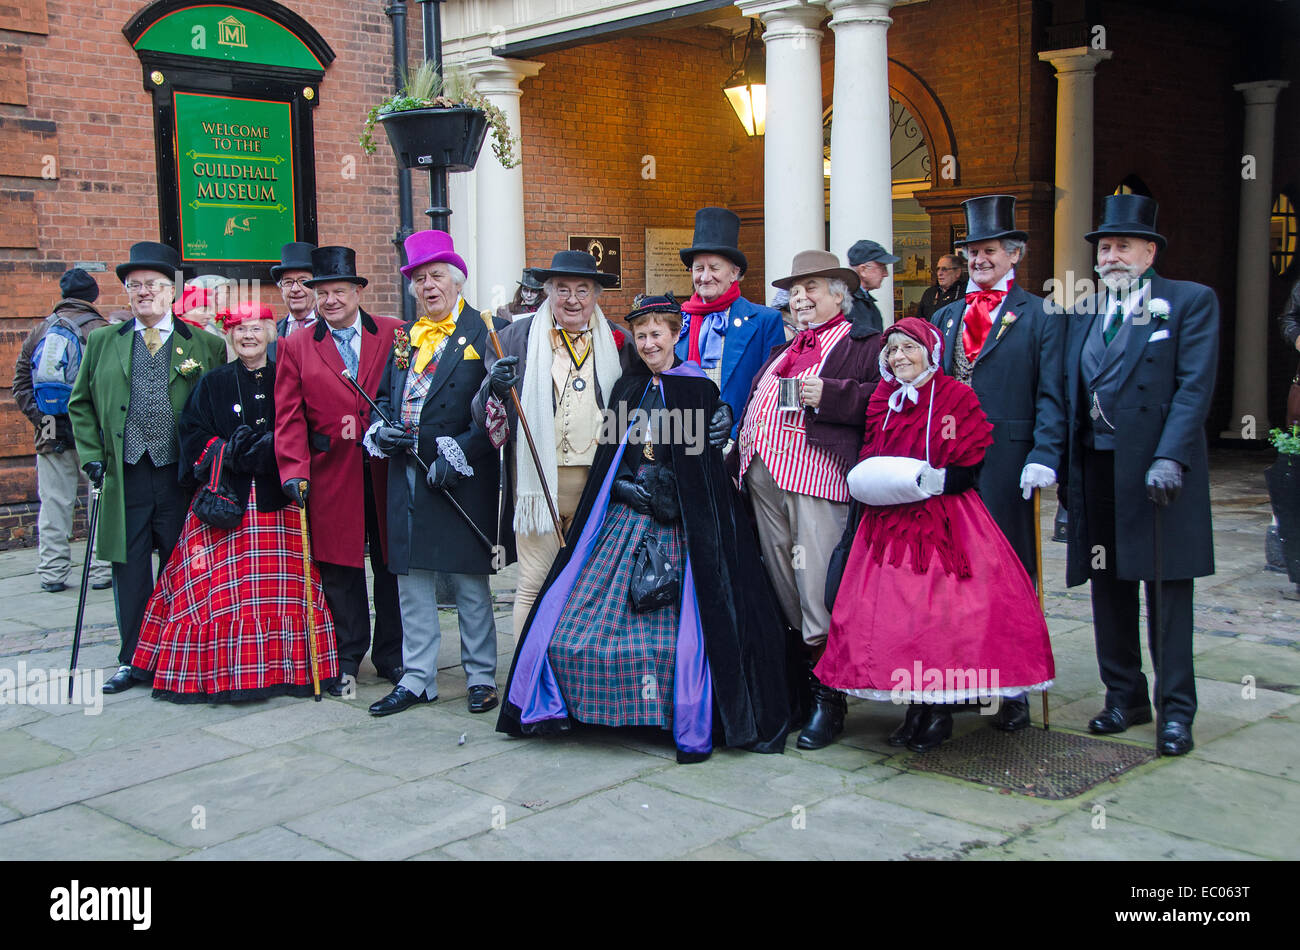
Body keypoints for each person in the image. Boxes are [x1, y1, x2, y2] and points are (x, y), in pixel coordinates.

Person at [498, 296, 790, 761]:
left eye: (658, 334)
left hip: (679, 528)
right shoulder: (627, 390)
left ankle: (674, 714)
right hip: (623, 520)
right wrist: (625, 489)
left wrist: (675, 496)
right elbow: (608, 460)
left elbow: (704, 476)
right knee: (571, 632)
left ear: (677, 336)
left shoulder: (697, 390)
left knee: (682, 635)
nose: (650, 343)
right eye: (642, 336)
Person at [816, 318, 1055, 752]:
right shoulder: (884, 400)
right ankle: (915, 708)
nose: (898, 357)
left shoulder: (955, 396)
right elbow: (873, 452)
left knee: (943, 619)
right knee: (899, 619)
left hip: (946, 520)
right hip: (889, 522)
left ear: (930, 352)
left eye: (908, 348)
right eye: (892, 350)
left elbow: (969, 463)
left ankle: (939, 711)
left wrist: (933, 482)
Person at [1062, 194, 1218, 756]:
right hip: (1097, 469)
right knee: (1108, 584)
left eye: (1123, 245)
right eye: (1104, 246)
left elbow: (1194, 387)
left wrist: (1169, 456)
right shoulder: (1081, 311)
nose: (1111, 256)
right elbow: (1070, 393)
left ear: (1149, 252)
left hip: (1158, 473)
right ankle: (1124, 696)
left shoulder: (1190, 302)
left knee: (1167, 590)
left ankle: (1177, 712)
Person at [130, 302, 339, 701]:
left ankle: (286, 671)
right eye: (240, 329)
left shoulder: (288, 377)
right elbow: (192, 434)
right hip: (227, 504)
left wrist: (274, 449)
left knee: (285, 589)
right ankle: (228, 676)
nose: (248, 336)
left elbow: (312, 428)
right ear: (230, 335)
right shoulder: (212, 383)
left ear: (270, 333)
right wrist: (232, 452)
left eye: (257, 328)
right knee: (219, 594)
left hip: (279, 501)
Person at [732, 249, 883, 751]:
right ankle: (805, 685)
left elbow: (884, 402)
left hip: (815, 479)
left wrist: (834, 395)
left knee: (815, 586)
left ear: (839, 295)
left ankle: (829, 699)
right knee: (784, 585)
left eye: (812, 288)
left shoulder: (864, 344)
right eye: (795, 291)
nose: (801, 298)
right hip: (763, 478)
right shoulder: (785, 349)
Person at [929, 195, 1066, 732]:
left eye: (989, 250)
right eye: (972, 252)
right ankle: (959, 679)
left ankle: (1013, 688)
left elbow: (1052, 392)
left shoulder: (1040, 316)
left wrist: (1045, 454)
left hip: (1009, 462)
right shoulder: (944, 315)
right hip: (948, 462)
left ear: (1015, 255)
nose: (979, 260)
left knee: (1009, 573)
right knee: (952, 572)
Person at [68, 242, 228, 693]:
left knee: (183, 565)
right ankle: (133, 659)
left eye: (153, 285)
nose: (143, 292)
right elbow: (80, 404)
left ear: (171, 291)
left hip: (180, 476)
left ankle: (181, 652)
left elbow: (215, 409)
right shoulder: (102, 342)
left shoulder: (206, 345)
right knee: (130, 568)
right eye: (134, 285)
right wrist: (92, 456)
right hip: (126, 475)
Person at [364, 231, 507, 716]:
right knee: (413, 582)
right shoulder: (404, 336)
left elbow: (496, 408)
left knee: (468, 583)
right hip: (407, 474)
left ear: (456, 279)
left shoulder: (486, 329)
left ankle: (481, 677)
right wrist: (380, 432)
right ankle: (419, 678)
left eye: (436, 276)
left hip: (461, 475)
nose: (428, 286)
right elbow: (384, 398)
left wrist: (460, 452)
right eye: (419, 279)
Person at [472, 249, 634, 636]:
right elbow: (485, 419)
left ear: (596, 294)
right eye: (562, 289)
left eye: (583, 290)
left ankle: (573, 677)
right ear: (547, 292)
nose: (573, 299)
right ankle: (524, 684)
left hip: (599, 488)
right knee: (532, 585)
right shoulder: (514, 338)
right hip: (536, 487)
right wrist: (494, 388)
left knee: (589, 586)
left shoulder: (621, 343)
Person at [274, 245, 404, 695]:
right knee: (340, 568)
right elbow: (287, 416)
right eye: (323, 292)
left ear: (357, 291)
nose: (331, 300)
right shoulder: (295, 346)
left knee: (392, 563)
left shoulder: (394, 333)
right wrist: (294, 469)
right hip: (331, 473)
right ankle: (346, 654)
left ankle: (394, 655)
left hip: (387, 471)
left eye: (339, 291)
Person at [12, 267, 112, 593]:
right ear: (93, 296)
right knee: (100, 499)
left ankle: (52, 572)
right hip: (92, 429)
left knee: (54, 502)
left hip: (50, 428)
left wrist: (44, 420)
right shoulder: (102, 330)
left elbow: (20, 387)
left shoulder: (39, 331)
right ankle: (101, 570)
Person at [674, 207, 786, 437]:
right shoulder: (677, 320)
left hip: (738, 445)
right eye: (698, 268)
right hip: (683, 442)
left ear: (734, 272)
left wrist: (733, 419)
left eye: (714, 268)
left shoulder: (766, 321)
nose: (705, 277)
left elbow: (772, 391)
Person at [269, 242, 318, 364]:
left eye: (303, 281)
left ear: (316, 288)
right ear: (281, 290)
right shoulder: (270, 333)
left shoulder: (332, 328)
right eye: (288, 282)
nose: (295, 289)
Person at [847, 238, 900, 335]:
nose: (886, 274)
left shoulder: (860, 301)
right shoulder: (845, 304)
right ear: (863, 270)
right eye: (882, 268)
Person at [917, 254, 964, 322]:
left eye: (944, 269)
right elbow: (919, 321)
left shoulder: (965, 293)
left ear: (957, 272)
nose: (939, 273)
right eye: (938, 269)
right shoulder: (930, 293)